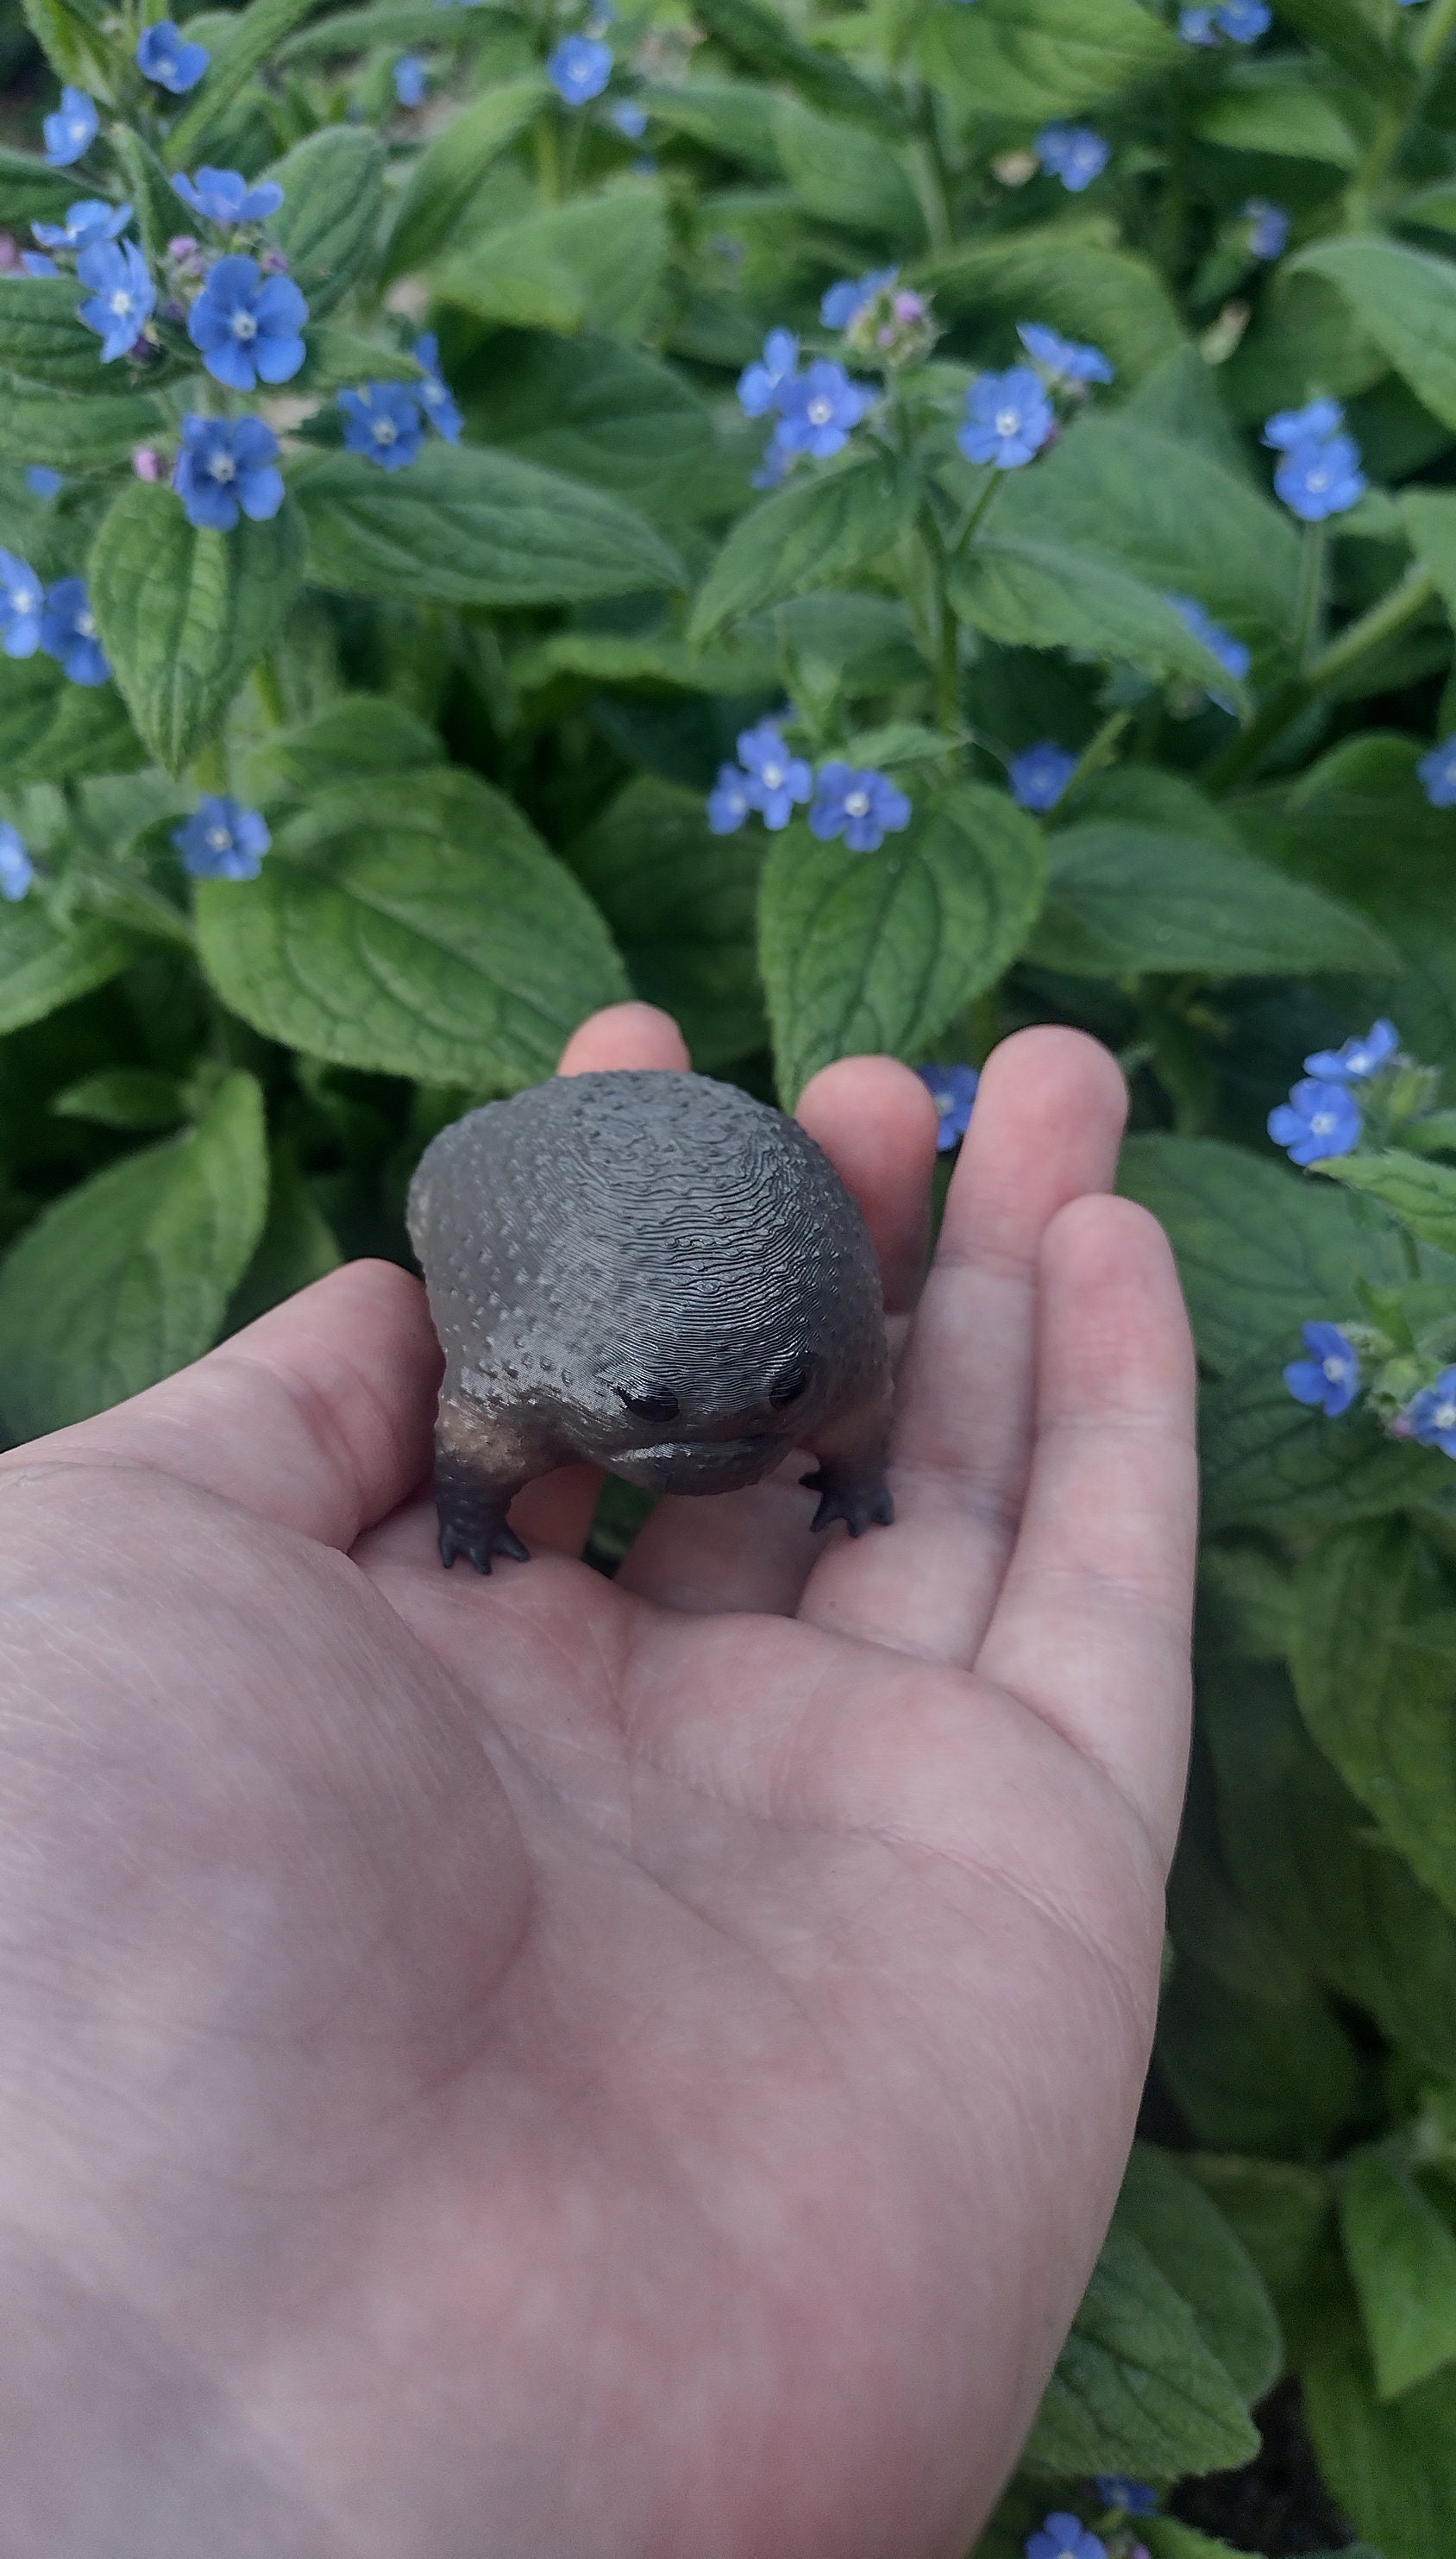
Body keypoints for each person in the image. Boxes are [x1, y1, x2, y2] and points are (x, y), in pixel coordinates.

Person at [0, 1007, 1196, 2557]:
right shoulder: (527, 1361)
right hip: (590, 1280)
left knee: (793, 1379)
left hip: (751, 1326)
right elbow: (487, 1420)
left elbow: (831, 1389)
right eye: (659, 1425)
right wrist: (473, 1507)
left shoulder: (810, 1358)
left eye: (767, 1411)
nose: (717, 1450)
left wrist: (850, 1462)